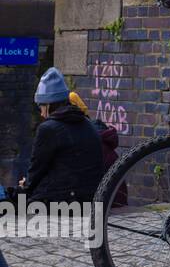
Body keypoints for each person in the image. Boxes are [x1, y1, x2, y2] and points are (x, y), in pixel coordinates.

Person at [13, 68, 105, 204]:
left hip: (64, 202)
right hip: (92, 198)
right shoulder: (87, 123)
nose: (42, 114)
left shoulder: (48, 129)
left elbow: (36, 170)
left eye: (41, 107)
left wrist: (23, 188)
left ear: (49, 104)